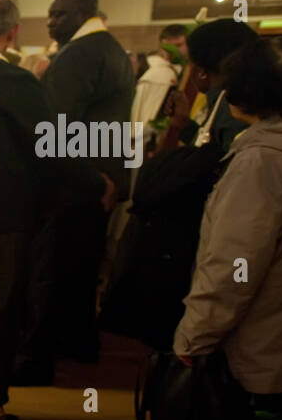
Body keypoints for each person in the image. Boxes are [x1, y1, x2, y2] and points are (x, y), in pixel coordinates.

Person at [166, 37, 282, 420]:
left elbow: (235, 263)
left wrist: (196, 333)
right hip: (275, 319)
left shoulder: (262, 160)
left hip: (259, 325)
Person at [0, 0, 104, 420]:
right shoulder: (15, 82)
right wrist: (96, 184)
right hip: (2, 217)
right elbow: (52, 148)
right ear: (12, 33)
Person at [99, 19, 258, 351]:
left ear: (200, 72)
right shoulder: (229, 105)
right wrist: (184, 127)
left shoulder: (232, 111)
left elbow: (219, 167)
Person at [37, 0, 132, 365]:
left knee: (61, 270)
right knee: (82, 266)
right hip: (100, 172)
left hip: (80, 180)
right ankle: (77, 340)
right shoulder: (113, 50)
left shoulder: (80, 53)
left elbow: (56, 126)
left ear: (83, 13)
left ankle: (60, 346)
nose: (50, 22)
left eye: (59, 14)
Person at [132, 24, 189, 147]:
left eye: (179, 45)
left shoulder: (185, 71)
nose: (172, 51)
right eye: (167, 46)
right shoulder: (158, 74)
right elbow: (147, 118)